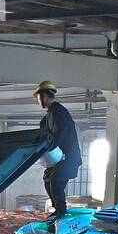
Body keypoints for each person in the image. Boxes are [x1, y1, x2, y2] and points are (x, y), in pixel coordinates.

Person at [34, 80, 82, 218]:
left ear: (45, 96)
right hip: (60, 158)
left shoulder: (58, 111)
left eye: (40, 98)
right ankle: (57, 209)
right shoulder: (49, 115)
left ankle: (62, 212)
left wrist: (49, 147)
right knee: (47, 178)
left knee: (56, 181)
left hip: (68, 157)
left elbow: (59, 133)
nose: (39, 101)